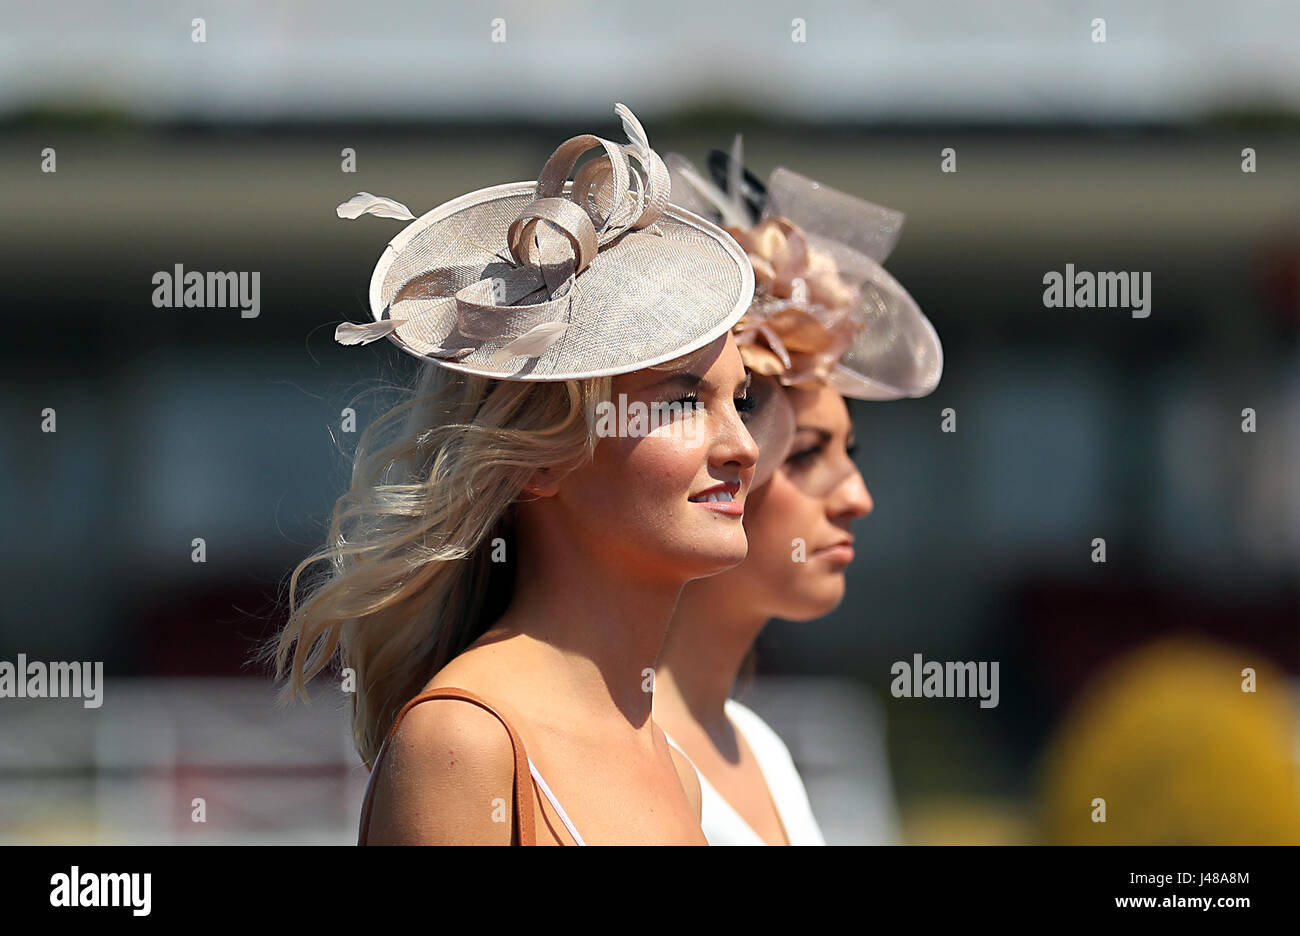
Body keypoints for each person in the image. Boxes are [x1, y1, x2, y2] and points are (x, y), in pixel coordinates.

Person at [264, 107, 772, 845]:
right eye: (683, 401)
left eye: (743, 401)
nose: (742, 447)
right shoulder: (465, 745)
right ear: (538, 456)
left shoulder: (672, 764)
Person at [652, 143, 943, 844]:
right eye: (808, 453)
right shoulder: (588, 747)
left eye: (851, 452)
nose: (857, 499)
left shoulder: (765, 750)